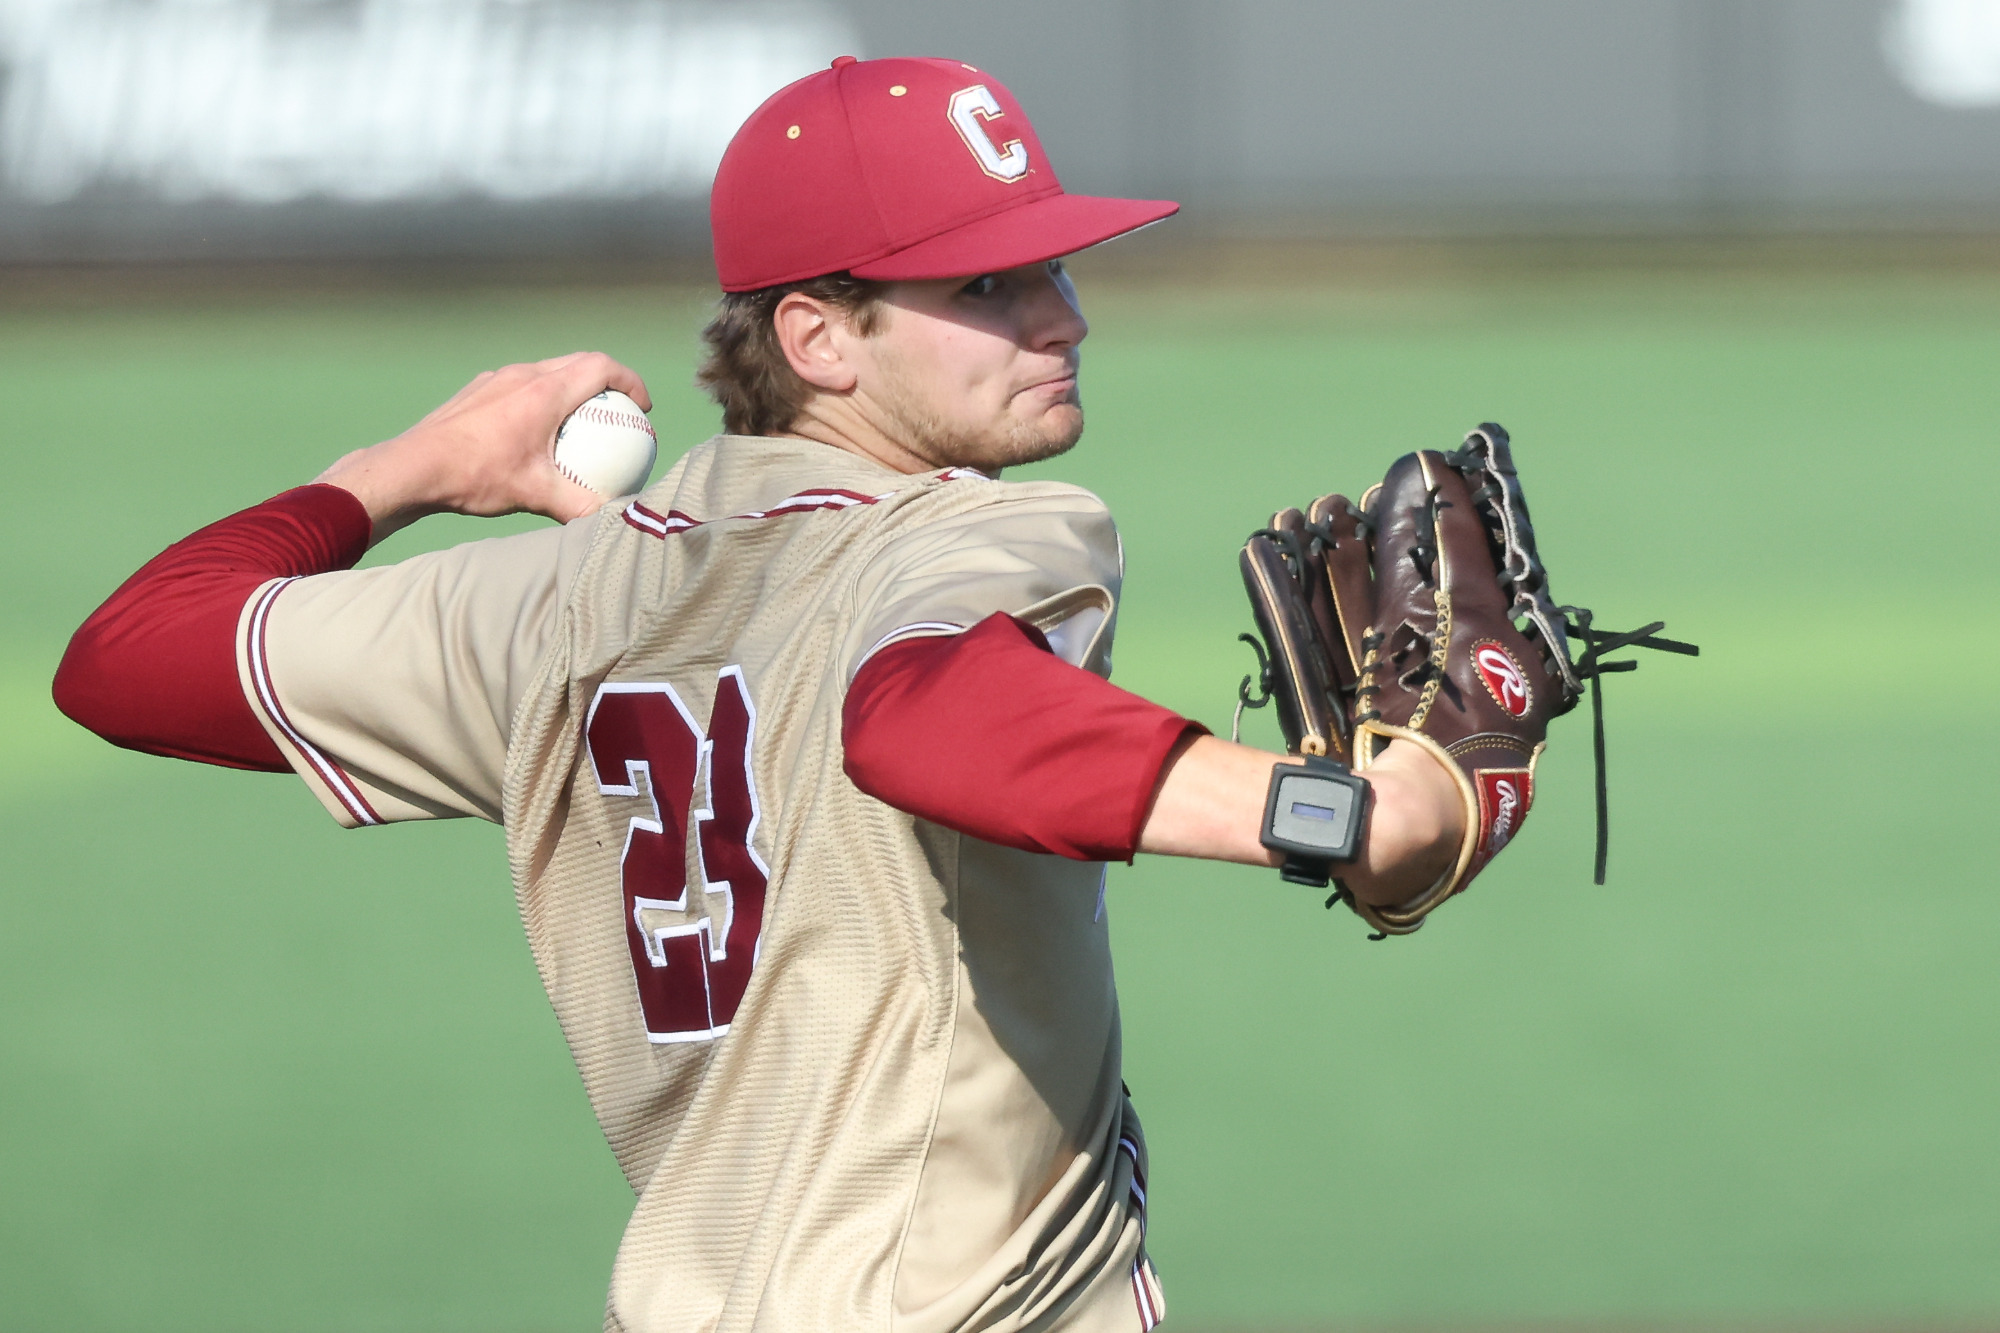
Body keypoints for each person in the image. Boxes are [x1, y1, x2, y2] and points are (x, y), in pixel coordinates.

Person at [54, 56, 1462, 1332]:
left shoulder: (545, 599)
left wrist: (409, 467)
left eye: (1054, 266)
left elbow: (131, 655)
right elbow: (918, 714)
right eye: (987, 288)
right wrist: (1343, 813)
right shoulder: (976, 532)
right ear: (819, 338)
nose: (1062, 316)